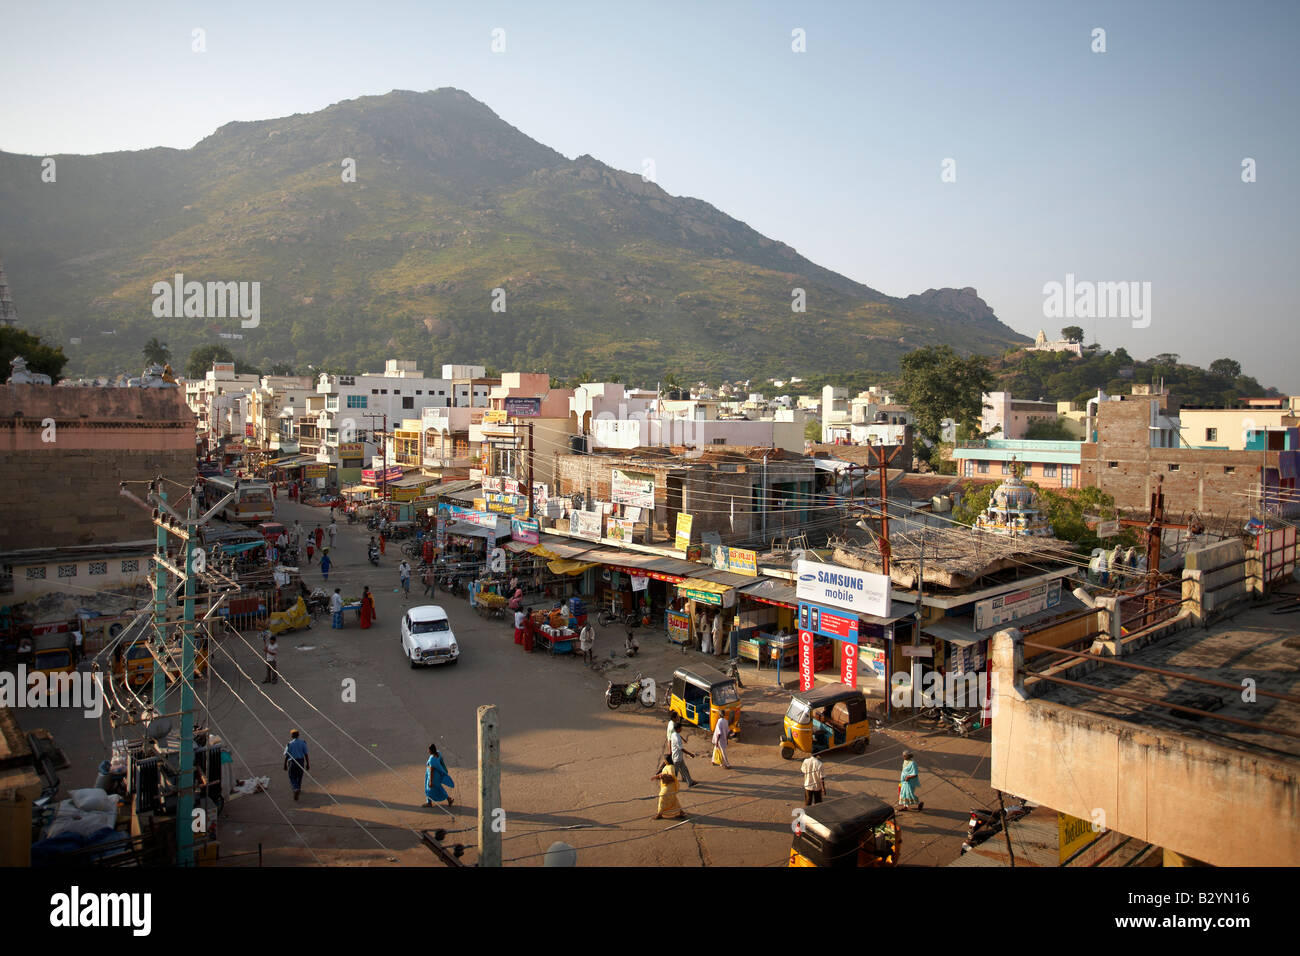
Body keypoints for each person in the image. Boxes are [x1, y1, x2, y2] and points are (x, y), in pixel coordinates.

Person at [652, 754, 685, 820]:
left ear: (667, 760)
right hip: (667, 785)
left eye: (664, 760)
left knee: (662, 797)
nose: (664, 761)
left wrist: (662, 776)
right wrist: (658, 776)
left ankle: (659, 814)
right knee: (673, 799)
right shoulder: (667, 766)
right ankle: (681, 812)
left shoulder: (670, 767)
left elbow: (672, 777)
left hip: (669, 786)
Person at [424, 743, 455, 809]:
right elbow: (441, 760)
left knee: (428, 789)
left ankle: (429, 803)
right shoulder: (438, 753)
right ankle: (449, 799)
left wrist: (430, 781)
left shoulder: (432, 759)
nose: (428, 751)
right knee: (439, 788)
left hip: (433, 776)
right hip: (438, 776)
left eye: (429, 750)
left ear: (431, 751)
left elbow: (432, 770)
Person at [284, 729, 309, 801]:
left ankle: (295, 788)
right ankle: (298, 789)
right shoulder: (303, 743)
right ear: (298, 735)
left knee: (292, 776)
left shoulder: (289, 744)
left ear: (292, 736)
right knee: (299, 776)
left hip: (292, 762)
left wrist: (285, 764)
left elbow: (287, 755)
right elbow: (306, 754)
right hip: (301, 761)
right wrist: (307, 764)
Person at [669, 722, 696, 788]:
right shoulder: (677, 738)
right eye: (681, 728)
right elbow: (681, 749)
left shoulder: (674, 734)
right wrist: (690, 754)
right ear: (678, 729)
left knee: (684, 769)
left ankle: (690, 782)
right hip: (677, 758)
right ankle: (671, 786)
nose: (682, 729)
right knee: (675, 773)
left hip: (677, 757)